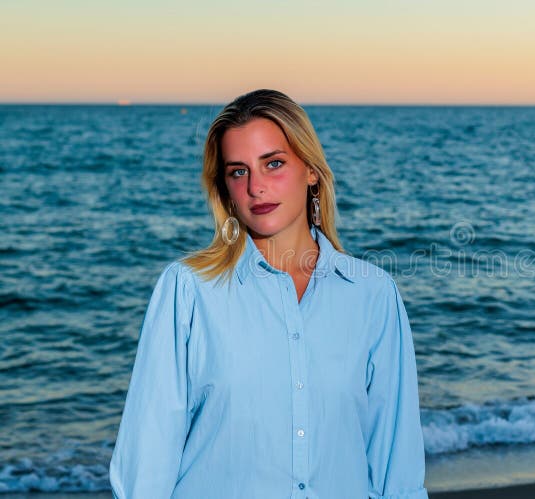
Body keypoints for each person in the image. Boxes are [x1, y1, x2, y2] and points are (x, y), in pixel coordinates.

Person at [108, 89, 429, 498]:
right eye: (238, 171)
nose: (255, 187)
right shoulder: (188, 290)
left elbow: (397, 470)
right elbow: (145, 465)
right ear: (224, 187)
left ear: (311, 171)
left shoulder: (373, 295)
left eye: (273, 163)